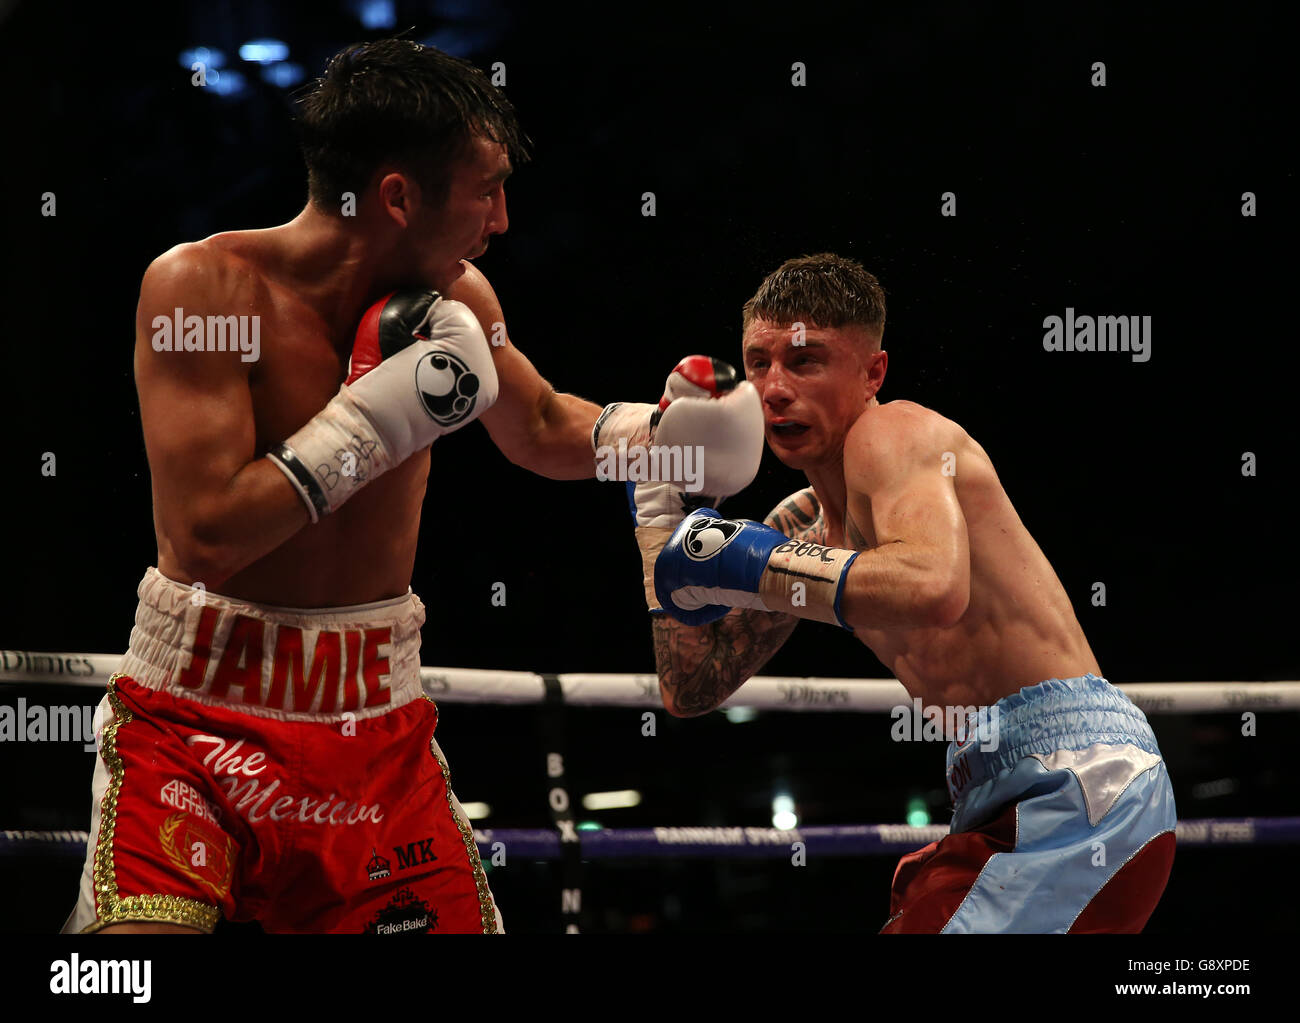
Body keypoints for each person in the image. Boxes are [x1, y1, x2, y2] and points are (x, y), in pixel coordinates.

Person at [62, 38, 761, 934]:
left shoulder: (459, 302)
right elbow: (205, 536)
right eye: (486, 188)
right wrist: (377, 417)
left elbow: (544, 428)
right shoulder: (203, 287)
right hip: (200, 721)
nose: (503, 219)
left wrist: (668, 441)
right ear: (397, 196)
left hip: (373, 729)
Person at [646, 252, 1177, 933]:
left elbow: (932, 584)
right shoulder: (802, 524)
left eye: (805, 361)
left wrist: (753, 562)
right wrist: (656, 508)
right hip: (1005, 798)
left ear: (873, 372)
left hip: (1079, 784)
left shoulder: (893, 434)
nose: (774, 387)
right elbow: (688, 685)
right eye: (758, 362)